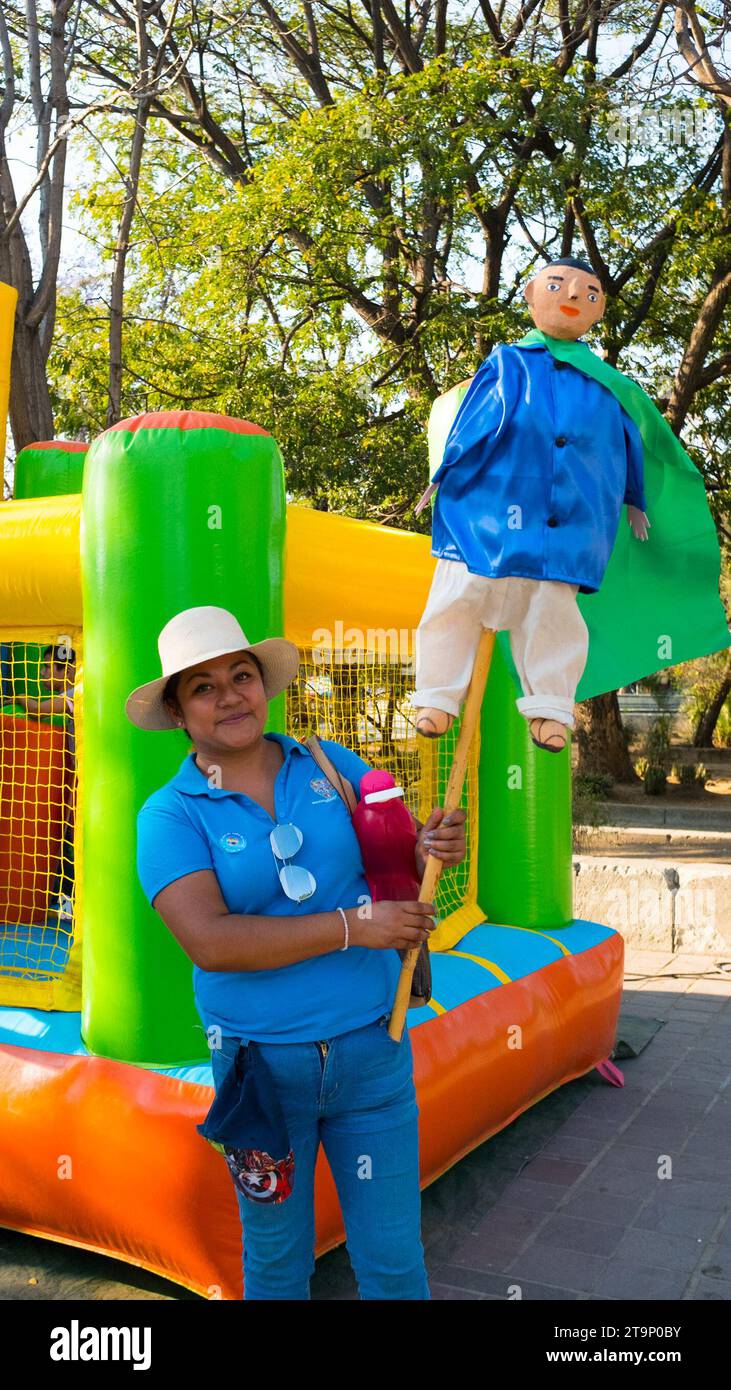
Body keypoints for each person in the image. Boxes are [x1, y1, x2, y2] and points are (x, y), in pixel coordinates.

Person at [127, 605, 467, 1301]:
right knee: (279, 1265)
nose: (229, 695)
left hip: (374, 1050)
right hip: (260, 1077)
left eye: (240, 675)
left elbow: (391, 853)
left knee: (395, 1260)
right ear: (178, 712)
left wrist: (425, 847)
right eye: (202, 686)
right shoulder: (169, 814)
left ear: (263, 685)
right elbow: (211, 941)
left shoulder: (325, 762)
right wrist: (353, 927)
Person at [412, 257, 650, 753]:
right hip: (490, 513)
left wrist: (634, 498)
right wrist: (446, 469)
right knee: (457, 596)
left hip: (565, 523)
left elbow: (626, 442)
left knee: (553, 612)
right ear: (530, 294)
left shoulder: (606, 385)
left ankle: (550, 707)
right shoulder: (509, 362)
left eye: (588, 293)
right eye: (558, 286)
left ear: (599, 308)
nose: (570, 297)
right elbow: (475, 417)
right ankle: (437, 695)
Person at [15, 642, 77, 919]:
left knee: (72, 837)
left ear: (68, 670)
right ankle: (64, 899)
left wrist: (16, 698)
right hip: (76, 776)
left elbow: (38, 709)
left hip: (83, 777)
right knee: (67, 836)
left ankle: (70, 901)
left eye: (47, 669)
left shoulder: (77, 693)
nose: (41, 676)